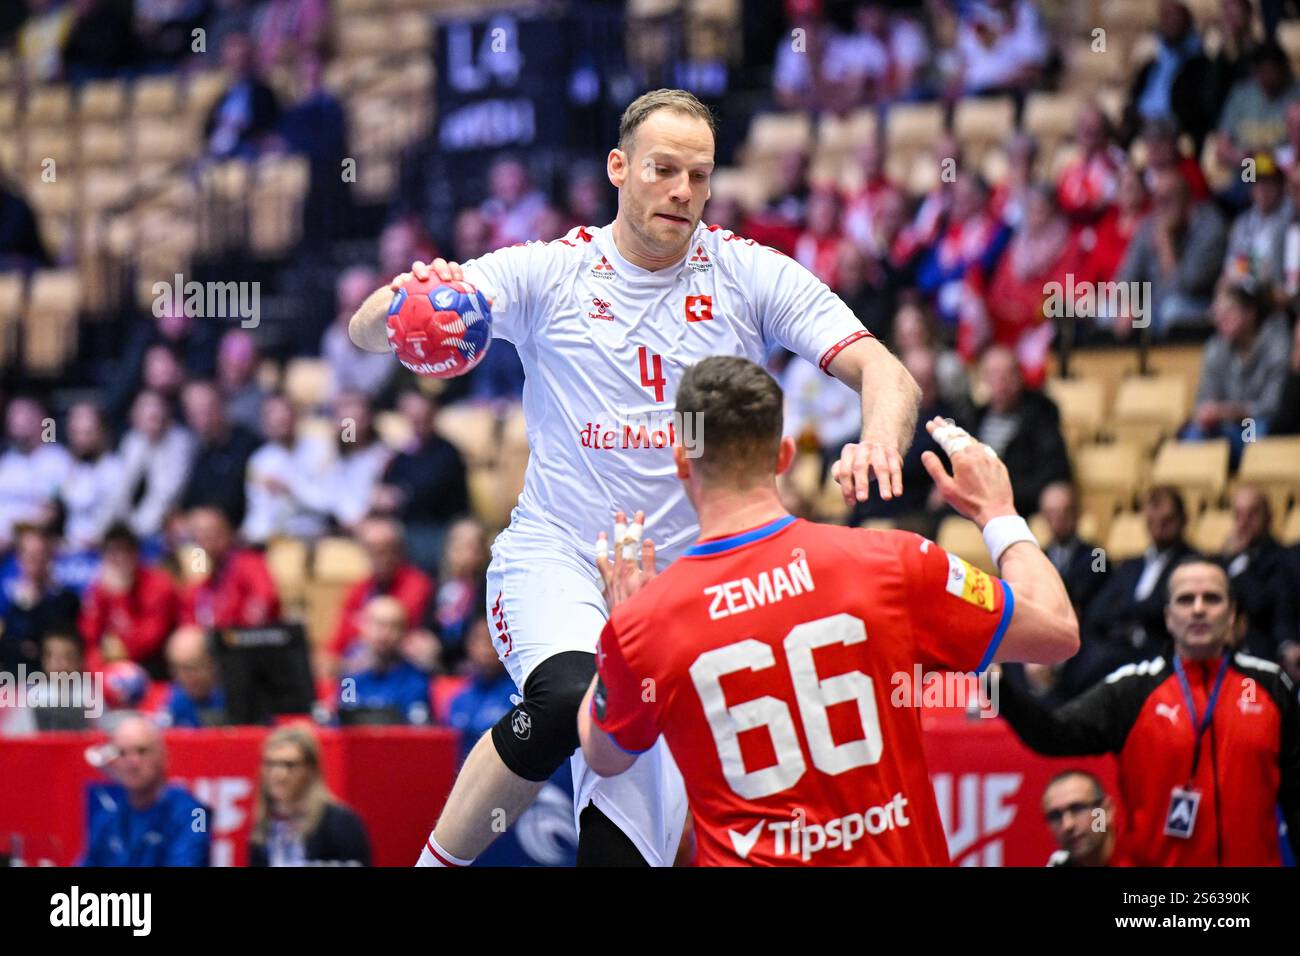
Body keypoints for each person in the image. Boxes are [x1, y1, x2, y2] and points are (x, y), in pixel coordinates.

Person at [348, 89, 920, 867]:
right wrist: (417, 295)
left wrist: (879, 441)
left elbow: (885, 371)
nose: (683, 191)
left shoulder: (748, 276)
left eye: (699, 175)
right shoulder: (550, 273)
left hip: (686, 588)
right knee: (565, 699)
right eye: (663, 170)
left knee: (625, 826)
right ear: (620, 169)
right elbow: (367, 327)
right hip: (560, 559)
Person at [577, 355, 1078, 865]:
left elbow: (605, 754)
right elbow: (1057, 630)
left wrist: (621, 627)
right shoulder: (889, 562)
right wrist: (998, 514)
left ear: (682, 459)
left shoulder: (649, 621)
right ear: (784, 455)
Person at [998, 558, 1300, 866]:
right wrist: (996, 687)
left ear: (1232, 613)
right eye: (1185, 599)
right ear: (1168, 617)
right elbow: (1052, 735)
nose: (1198, 609)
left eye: (1212, 598)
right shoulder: (1132, 690)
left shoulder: (1272, 686)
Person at [81, 714, 211, 866]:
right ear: (113, 764)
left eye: (142, 751)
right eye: (122, 753)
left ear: (163, 757)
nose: (133, 762)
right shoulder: (107, 818)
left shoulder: (196, 814)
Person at [1085, 486, 1196, 660]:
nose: (1159, 527)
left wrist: (1126, 611)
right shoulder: (1129, 566)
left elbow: (1164, 610)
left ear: (1183, 520)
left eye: (1166, 520)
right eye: (1152, 521)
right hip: (1119, 647)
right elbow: (1098, 611)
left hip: (1163, 653)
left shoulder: (1192, 563)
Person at [1114, 168, 1226, 337]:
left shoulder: (1209, 227)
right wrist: (1129, 303)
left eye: (1167, 200)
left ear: (1187, 200)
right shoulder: (1148, 225)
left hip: (1198, 306)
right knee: (1109, 311)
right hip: (1156, 304)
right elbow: (1124, 279)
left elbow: (1185, 286)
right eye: (1157, 199)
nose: (1161, 207)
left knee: (1171, 309)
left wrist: (1166, 241)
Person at [1184, 282, 1291, 456]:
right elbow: (1204, 400)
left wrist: (1230, 411)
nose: (1221, 319)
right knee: (1195, 433)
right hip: (1225, 426)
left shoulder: (1277, 345)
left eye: (1229, 312)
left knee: (1259, 432)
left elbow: (1273, 405)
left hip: (1254, 423)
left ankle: (1254, 478)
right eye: (1218, 313)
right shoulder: (1215, 348)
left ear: (1250, 313)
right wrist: (1208, 413)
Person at [372, 388, 470, 574]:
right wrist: (380, 494)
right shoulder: (402, 455)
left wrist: (399, 496)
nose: (418, 422)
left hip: (439, 526)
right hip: (408, 525)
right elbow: (386, 485)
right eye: (413, 417)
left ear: (432, 415)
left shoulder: (448, 452)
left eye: (422, 416)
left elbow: (432, 490)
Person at [248, 724, 371, 866]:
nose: (278, 774)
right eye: (270, 764)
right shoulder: (263, 826)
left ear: (310, 769)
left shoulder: (340, 823)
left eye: (289, 765)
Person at [970, 347, 1072, 517]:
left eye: (1007, 375)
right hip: (979, 504)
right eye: (993, 375)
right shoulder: (974, 418)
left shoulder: (1041, 414)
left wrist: (1004, 491)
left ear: (1019, 377)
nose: (1000, 383)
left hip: (1024, 503)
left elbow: (1054, 470)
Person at [327, 516, 433, 669]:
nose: (379, 558)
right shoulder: (358, 589)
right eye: (372, 551)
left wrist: (361, 625)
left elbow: (392, 632)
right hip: (355, 672)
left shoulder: (417, 584)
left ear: (399, 551)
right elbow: (334, 647)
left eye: (385, 550)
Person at [79, 523, 179, 678]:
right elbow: (88, 636)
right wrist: (99, 672)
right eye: (113, 552)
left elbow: (150, 639)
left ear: (136, 554)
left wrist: (121, 595)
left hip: (151, 666)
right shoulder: (99, 589)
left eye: (125, 551)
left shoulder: (158, 584)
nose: (120, 559)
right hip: (111, 668)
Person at [1221, 486, 1296, 661]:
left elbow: (1259, 605)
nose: (1244, 522)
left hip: (1265, 655)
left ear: (1269, 517)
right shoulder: (1223, 560)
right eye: (1238, 515)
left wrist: (1237, 561)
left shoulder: (1284, 559)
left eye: (1252, 514)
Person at [109, 390, 196, 540]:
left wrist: (135, 531)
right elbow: (119, 489)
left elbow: (166, 494)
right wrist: (107, 530)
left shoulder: (181, 442)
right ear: (134, 417)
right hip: (131, 527)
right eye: (148, 415)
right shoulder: (132, 441)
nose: (155, 419)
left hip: (169, 522)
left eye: (158, 415)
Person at [178, 506, 280, 631]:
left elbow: (264, 601)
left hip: (246, 639)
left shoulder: (249, 563)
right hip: (215, 640)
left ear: (228, 532)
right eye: (199, 534)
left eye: (211, 532)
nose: (206, 540)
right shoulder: (203, 577)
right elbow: (189, 615)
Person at [178, 381, 261, 530]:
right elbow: (188, 502)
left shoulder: (250, 445)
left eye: (207, 409)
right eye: (194, 412)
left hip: (242, 536)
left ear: (223, 406)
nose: (203, 418)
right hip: (203, 539)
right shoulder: (195, 451)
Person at [337, 596, 431, 724]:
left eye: (393, 626)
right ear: (363, 628)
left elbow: (417, 730)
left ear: (404, 633)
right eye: (378, 624)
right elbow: (343, 722)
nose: (384, 633)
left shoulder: (416, 681)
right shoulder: (350, 679)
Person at [0, 524, 80, 675]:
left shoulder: (65, 600)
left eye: (41, 554)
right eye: (30, 555)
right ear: (18, 557)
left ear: (51, 556)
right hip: (11, 684)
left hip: (54, 684)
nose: (36, 561)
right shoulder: (5, 600)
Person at [0, 396, 71, 550]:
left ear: (40, 418)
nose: (15, 420)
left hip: (31, 545)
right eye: (12, 415)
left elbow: (51, 512)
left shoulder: (56, 460)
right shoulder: (7, 459)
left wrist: (14, 537)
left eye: (22, 414)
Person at [59, 403, 124, 552]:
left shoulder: (115, 469)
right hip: (70, 551)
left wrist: (100, 538)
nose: (81, 440)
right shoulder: (68, 466)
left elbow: (118, 517)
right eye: (76, 433)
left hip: (106, 549)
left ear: (102, 432)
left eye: (88, 433)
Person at [1042, 770, 1118, 867]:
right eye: (1055, 816)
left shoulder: (1139, 856)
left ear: (1106, 811)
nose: (1067, 825)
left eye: (1077, 808)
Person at [163, 625, 227, 729]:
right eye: (176, 668)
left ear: (212, 664)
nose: (182, 677)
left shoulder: (234, 701)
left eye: (190, 668)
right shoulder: (168, 700)